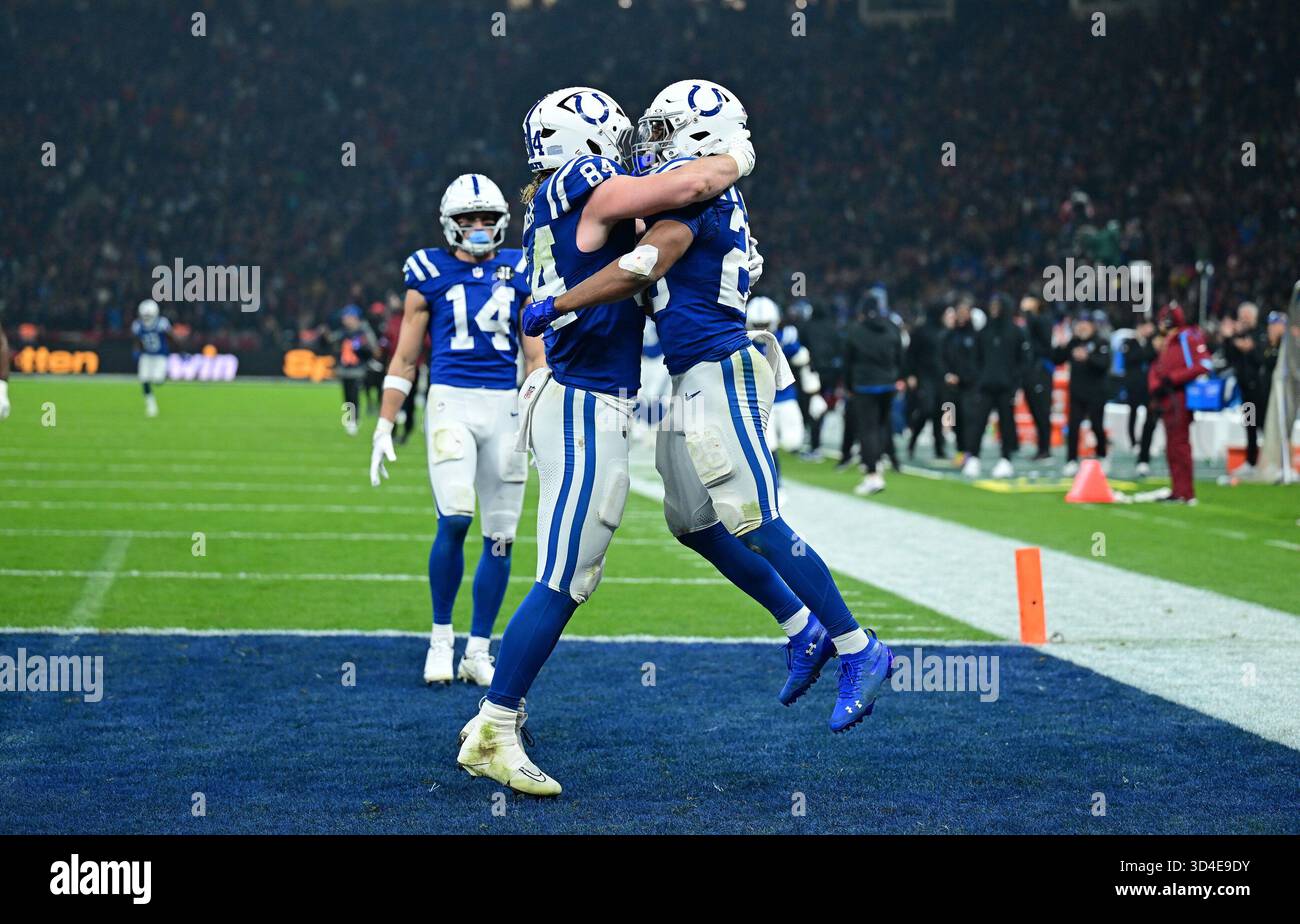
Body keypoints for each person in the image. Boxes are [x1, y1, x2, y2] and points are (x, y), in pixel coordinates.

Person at [526, 79, 893, 739]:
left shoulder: (699, 196)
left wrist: (558, 303)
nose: (653, 145)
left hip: (720, 371)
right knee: (692, 521)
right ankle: (800, 627)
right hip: (686, 377)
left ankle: (860, 648)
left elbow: (639, 268)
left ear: (702, 134)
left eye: (666, 132)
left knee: (757, 519)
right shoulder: (700, 196)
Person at [454, 85, 758, 796]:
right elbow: (687, 182)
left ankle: (499, 716)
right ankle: (494, 727)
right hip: (584, 402)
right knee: (566, 575)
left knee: (572, 572)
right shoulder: (582, 178)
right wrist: (735, 155)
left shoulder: (546, 200)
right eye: (616, 142)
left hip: (583, 395)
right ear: (585, 142)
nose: (625, 156)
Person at [369, 173, 542, 687]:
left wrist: (534, 413)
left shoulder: (520, 267)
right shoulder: (428, 271)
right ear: (450, 223)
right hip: (451, 403)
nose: (479, 226)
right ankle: (441, 638)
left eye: (488, 217)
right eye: (469, 218)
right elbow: (405, 356)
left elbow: (535, 355)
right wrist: (383, 422)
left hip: (506, 407)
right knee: (455, 517)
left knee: (501, 538)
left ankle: (478, 649)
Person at [745, 295, 822, 500]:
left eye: (765, 324)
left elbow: (804, 361)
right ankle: (776, 484)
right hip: (760, 401)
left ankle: (774, 482)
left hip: (786, 397)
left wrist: (814, 393)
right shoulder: (742, 340)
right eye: (758, 324)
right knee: (768, 446)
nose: (762, 328)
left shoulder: (786, 337)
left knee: (793, 442)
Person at [1148, 301, 1212, 502]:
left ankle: (1186, 492)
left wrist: (1174, 378)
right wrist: (1157, 386)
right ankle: (1178, 490)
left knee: (1180, 445)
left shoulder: (1187, 337)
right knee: (1172, 446)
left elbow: (1204, 364)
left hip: (1180, 396)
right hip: (1167, 396)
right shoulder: (1171, 339)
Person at [963, 294, 1028, 479]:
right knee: (978, 423)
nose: (993, 309)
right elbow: (975, 358)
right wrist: (979, 378)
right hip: (985, 386)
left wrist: (1015, 381)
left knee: (1007, 424)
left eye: (997, 305)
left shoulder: (1016, 332)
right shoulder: (984, 332)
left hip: (1006, 387)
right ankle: (973, 457)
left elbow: (1023, 361)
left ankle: (1006, 460)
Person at [842, 296, 903, 495]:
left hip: (865, 386)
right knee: (883, 425)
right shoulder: (892, 327)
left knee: (868, 430)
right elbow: (900, 356)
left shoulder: (856, 331)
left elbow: (848, 362)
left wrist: (849, 385)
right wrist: (898, 377)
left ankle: (872, 475)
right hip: (888, 384)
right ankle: (882, 461)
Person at [1053, 313, 1112, 476]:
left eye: (1085, 323)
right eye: (1080, 323)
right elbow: (1057, 359)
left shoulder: (1101, 342)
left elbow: (1104, 364)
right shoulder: (1073, 342)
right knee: (1073, 427)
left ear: (1093, 326)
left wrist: (1088, 357)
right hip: (1077, 392)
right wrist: (1061, 346)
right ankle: (1071, 460)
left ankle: (1102, 456)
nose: (1082, 327)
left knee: (1097, 426)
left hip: (1096, 393)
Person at [1222, 301, 1270, 472]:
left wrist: (1248, 348)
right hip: (1246, 390)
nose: (1243, 320)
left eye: (1246, 317)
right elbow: (1229, 358)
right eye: (1241, 317)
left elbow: (1261, 359)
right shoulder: (1239, 336)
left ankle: (1272, 461)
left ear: (1253, 317)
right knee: (1250, 426)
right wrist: (1229, 338)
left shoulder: (1262, 334)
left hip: (1262, 390)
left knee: (1266, 426)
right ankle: (1251, 462)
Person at [904, 304, 946, 460]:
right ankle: (913, 440)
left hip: (941, 377)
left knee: (940, 412)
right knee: (926, 409)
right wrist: (910, 374)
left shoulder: (945, 330)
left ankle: (939, 448)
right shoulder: (921, 331)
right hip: (925, 376)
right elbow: (910, 354)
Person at [941, 297, 980, 464]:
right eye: (960, 312)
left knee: (969, 418)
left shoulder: (976, 336)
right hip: (951, 385)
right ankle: (960, 450)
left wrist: (963, 377)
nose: (962, 316)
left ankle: (969, 452)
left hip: (969, 385)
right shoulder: (949, 336)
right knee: (955, 420)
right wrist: (947, 374)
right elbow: (942, 358)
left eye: (965, 312)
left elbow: (977, 362)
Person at [332, 305, 379, 436]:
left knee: (355, 395)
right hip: (345, 370)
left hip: (359, 370)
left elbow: (373, 349)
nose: (345, 320)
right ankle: (348, 420)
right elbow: (334, 345)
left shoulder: (363, 331)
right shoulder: (343, 332)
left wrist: (362, 349)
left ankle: (355, 420)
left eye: (347, 317)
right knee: (347, 396)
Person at [1122, 316, 1158, 476]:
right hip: (1134, 385)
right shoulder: (1129, 342)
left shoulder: (1152, 342)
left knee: (1150, 417)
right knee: (1133, 412)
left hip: (1148, 386)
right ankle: (1133, 441)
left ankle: (1145, 447)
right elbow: (1131, 358)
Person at [1019, 295, 1054, 460]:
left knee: (1042, 411)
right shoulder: (1029, 321)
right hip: (1029, 371)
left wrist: (1029, 313)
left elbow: (1045, 341)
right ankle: (1041, 447)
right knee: (1034, 409)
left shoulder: (1043, 319)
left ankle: (1045, 448)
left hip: (1041, 372)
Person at [131, 299, 173, 418]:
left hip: (160, 355)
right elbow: (136, 340)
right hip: (147, 354)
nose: (147, 318)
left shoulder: (162, 324)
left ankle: (163, 376)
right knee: (144, 379)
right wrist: (136, 350)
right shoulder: (137, 325)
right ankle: (150, 404)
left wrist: (177, 349)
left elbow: (172, 337)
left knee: (157, 380)